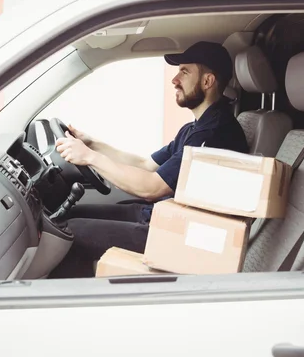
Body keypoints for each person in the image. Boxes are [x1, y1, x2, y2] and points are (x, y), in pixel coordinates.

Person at [48, 41, 249, 278]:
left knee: (68, 231)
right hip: (163, 217)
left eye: (184, 72)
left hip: (181, 234)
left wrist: (89, 158)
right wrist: (93, 145)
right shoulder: (194, 128)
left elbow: (152, 188)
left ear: (207, 81)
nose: (175, 80)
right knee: (72, 215)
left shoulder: (214, 133)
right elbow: (146, 165)